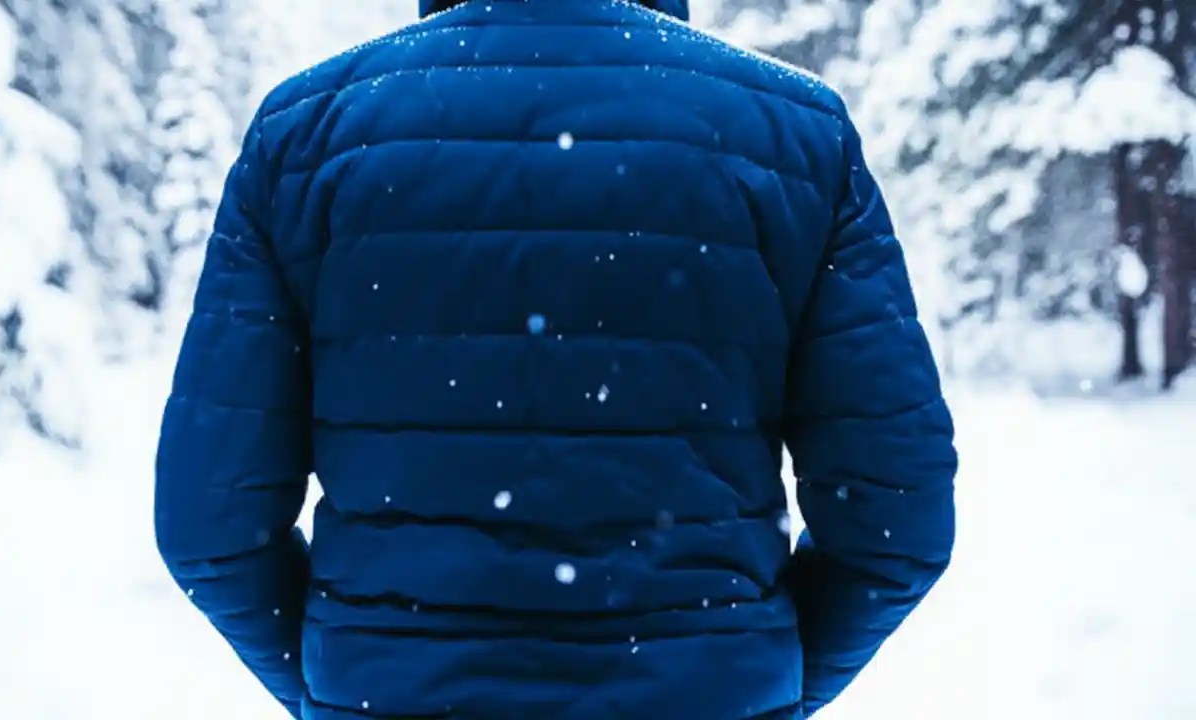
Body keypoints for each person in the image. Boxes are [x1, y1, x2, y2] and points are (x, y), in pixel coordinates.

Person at [154, 0, 957, 717]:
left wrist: (342, 681)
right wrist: (754, 674)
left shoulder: (307, 135)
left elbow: (208, 524)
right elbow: (895, 518)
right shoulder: (794, 134)